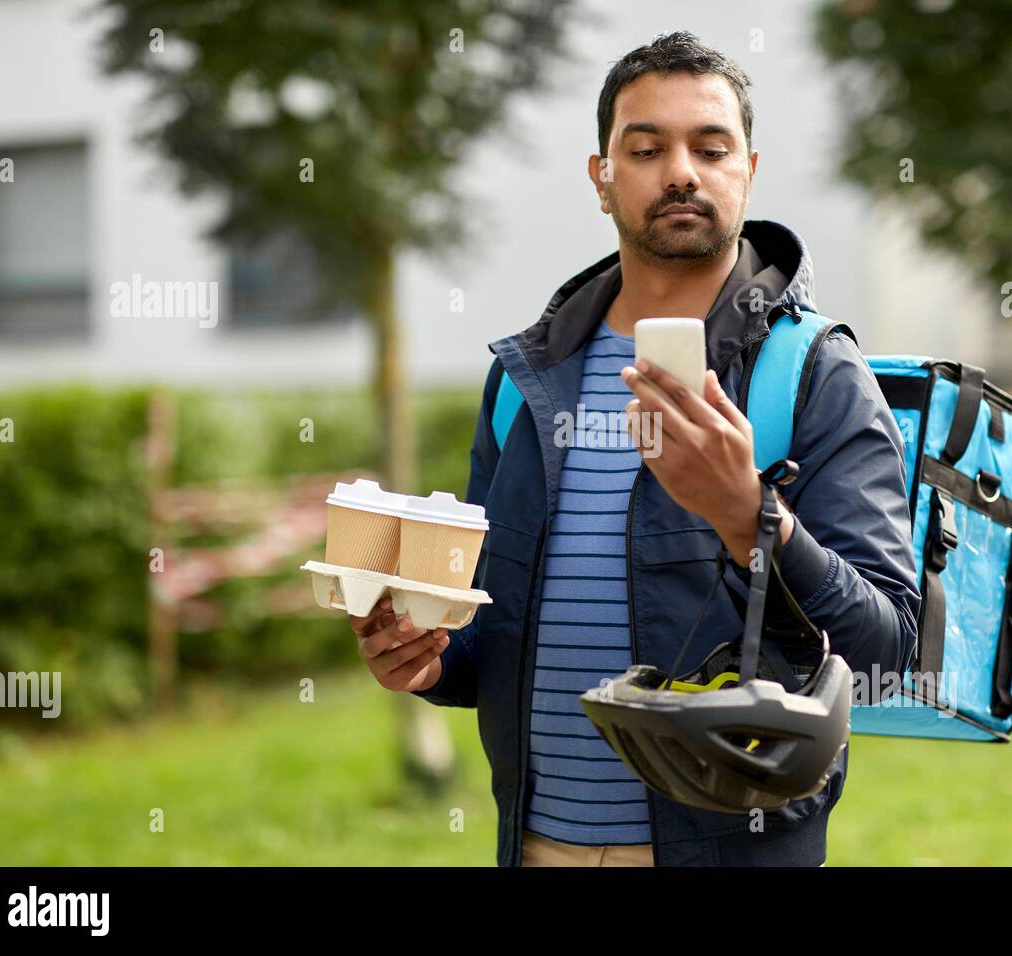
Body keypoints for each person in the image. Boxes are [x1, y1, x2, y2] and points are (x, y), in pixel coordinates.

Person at [348, 31, 919, 867]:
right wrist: (426, 658)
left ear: (748, 172)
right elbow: (491, 642)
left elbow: (888, 649)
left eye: (710, 147)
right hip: (538, 849)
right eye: (646, 148)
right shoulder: (524, 381)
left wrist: (748, 515)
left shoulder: (813, 371)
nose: (681, 171)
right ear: (602, 177)